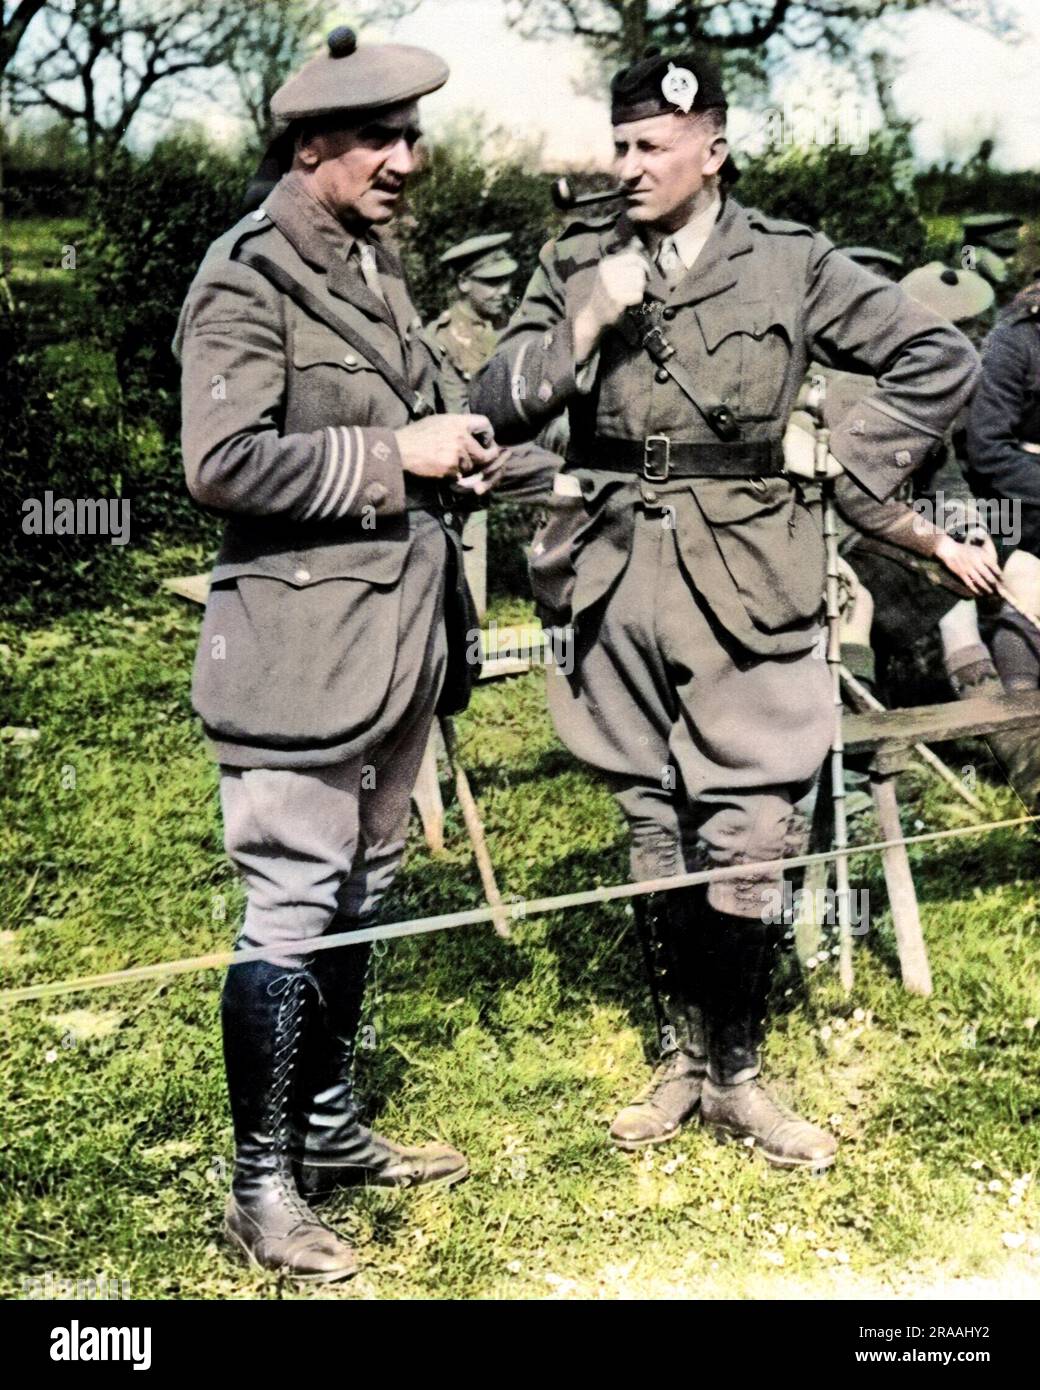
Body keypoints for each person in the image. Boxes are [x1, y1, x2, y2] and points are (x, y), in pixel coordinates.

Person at [471, 47, 979, 1167]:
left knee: (750, 825)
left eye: (650, 146)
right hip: (608, 570)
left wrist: (845, 469)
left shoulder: (789, 262)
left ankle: (739, 1074)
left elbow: (933, 357)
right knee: (651, 814)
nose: (628, 165)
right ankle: (677, 1064)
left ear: (713, 151)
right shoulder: (575, 258)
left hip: (750, 571)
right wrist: (581, 327)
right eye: (618, 144)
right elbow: (490, 401)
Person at [174, 27, 502, 1282]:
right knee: (292, 903)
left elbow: (402, 417)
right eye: (381, 138)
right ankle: (260, 1188)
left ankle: (326, 1129)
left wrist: (459, 447)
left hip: (393, 646)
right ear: (311, 146)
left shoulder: (371, 266)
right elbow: (222, 465)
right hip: (296, 659)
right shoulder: (246, 276)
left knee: (360, 890)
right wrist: (391, 459)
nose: (407, 160)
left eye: (412, 136)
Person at [967, 275, 1040, 722]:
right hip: (1004, 502)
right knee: (1028, 582)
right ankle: (1022, 720)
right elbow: (988, 451)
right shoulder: (1014, 344)